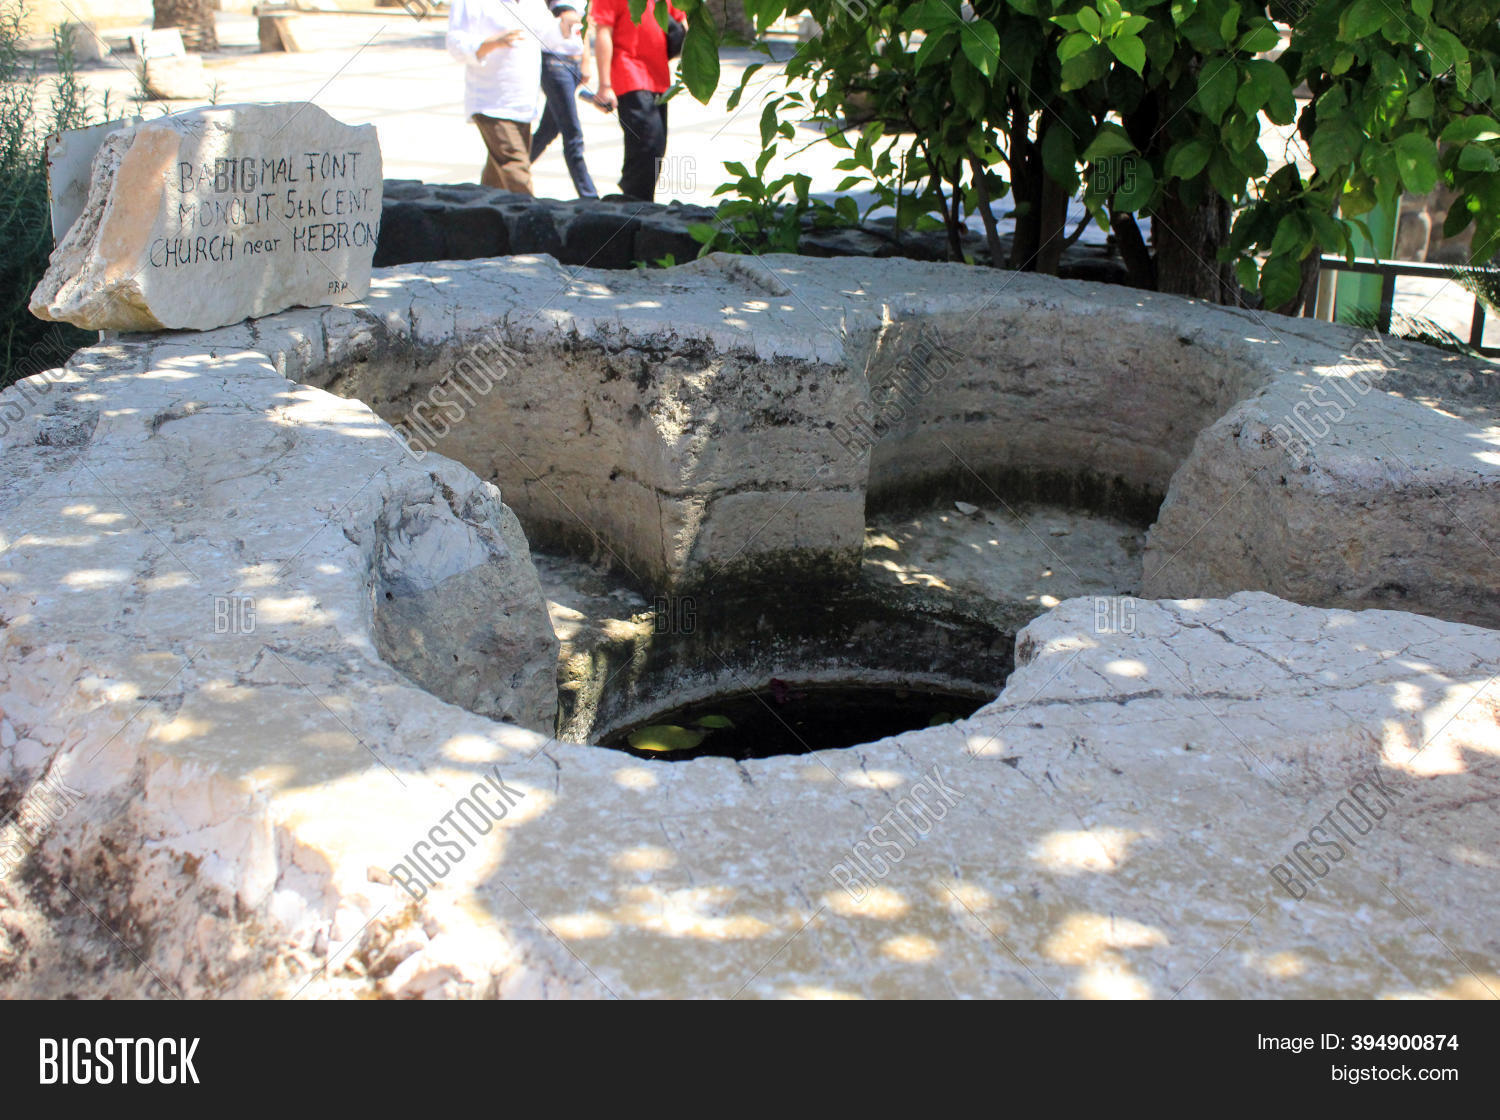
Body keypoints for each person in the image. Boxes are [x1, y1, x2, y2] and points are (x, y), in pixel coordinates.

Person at [446, 0, 563, 196]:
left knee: (496, 180)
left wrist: (567, 27)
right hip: (491, 103)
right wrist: (490, 43)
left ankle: (481, 221)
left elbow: (550, 34)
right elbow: (455, 42)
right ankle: (532, 220)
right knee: (516, 170)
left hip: (523, 103)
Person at [589, 0, 686, 202]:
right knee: (647, 144)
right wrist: (605, 86)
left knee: (657, 146)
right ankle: (634, 204)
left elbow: (681, 22)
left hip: (658, 77)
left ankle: (636, 202)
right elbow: (603, 32)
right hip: (629, 72)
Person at [529, 4, 598, 198]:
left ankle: (513, 170)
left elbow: (582, 26)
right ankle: (589, 194)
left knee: (548, 131)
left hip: (573, 65)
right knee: (572, 132)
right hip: (555, 63)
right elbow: (566, 18)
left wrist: (586, 62)